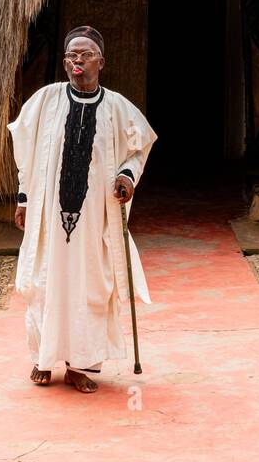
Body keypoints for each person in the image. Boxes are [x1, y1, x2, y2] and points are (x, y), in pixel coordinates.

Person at [8, 25, 157, 392]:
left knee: (90, 283)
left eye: (85, 54)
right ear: (64, 61)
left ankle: (80, 365)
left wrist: (127, 175)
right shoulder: (45, 101)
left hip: (94, 219)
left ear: (100, 62)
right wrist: (24, 197)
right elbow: (24, 150)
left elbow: (141, 145)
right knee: (46, 281)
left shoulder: (118, 107)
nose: (78, 60)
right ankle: (43, 357)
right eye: (72, 55)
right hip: (48, 216)